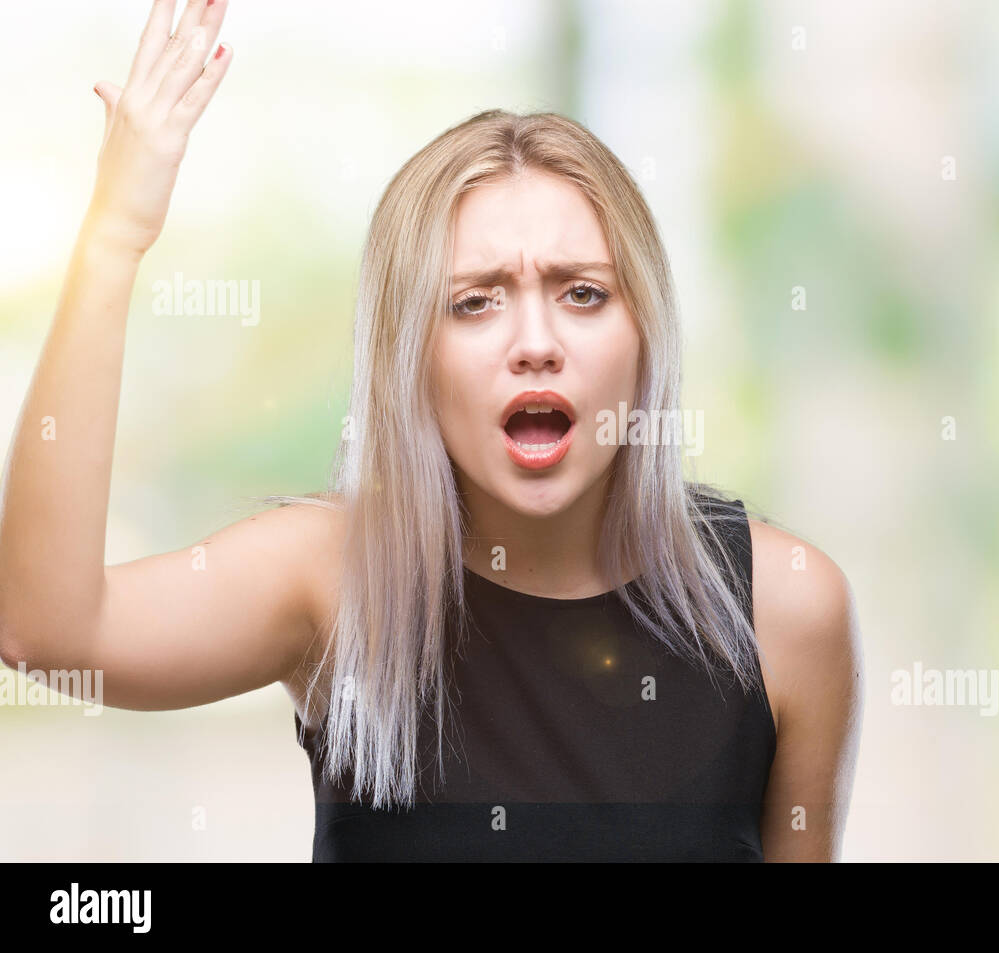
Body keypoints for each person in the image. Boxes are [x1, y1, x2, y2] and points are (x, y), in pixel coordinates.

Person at [0, 0, 862, 862]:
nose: (535, 344)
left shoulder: (785, 608)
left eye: (583, 293)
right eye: (475, 302)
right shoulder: (333, 578)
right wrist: (113, 236)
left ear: (646, 339)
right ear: (412, 355)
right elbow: (43, 628)